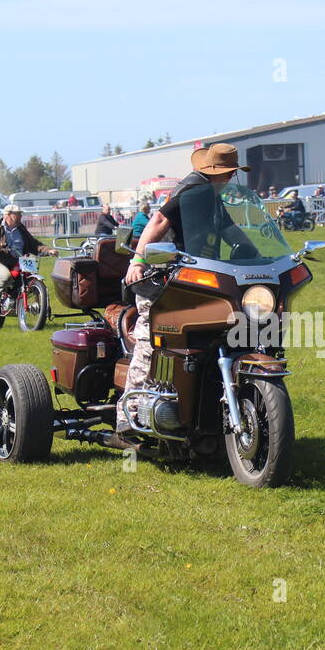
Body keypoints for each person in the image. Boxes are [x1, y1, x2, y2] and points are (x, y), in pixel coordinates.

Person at [116, 143, 257, 442]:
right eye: (229, 173)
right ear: (218, 172)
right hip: (160, 279)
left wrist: (254, 254)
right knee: (150, 338)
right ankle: (126, 417)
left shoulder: (212, 197)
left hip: (196, 279)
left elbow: (230, 230)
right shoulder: (189, 188)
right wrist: (139, 260)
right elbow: (158, 221)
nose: (231, 179)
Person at [0, 205, 57, 314]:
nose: (20, 216)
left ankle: (43, 308)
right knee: (6, 277)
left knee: (33, 279)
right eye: (17, 214)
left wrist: (48, 250)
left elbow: (33, 244)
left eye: (20, 214)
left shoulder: (21, 228)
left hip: (20, 261)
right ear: (8, 215)